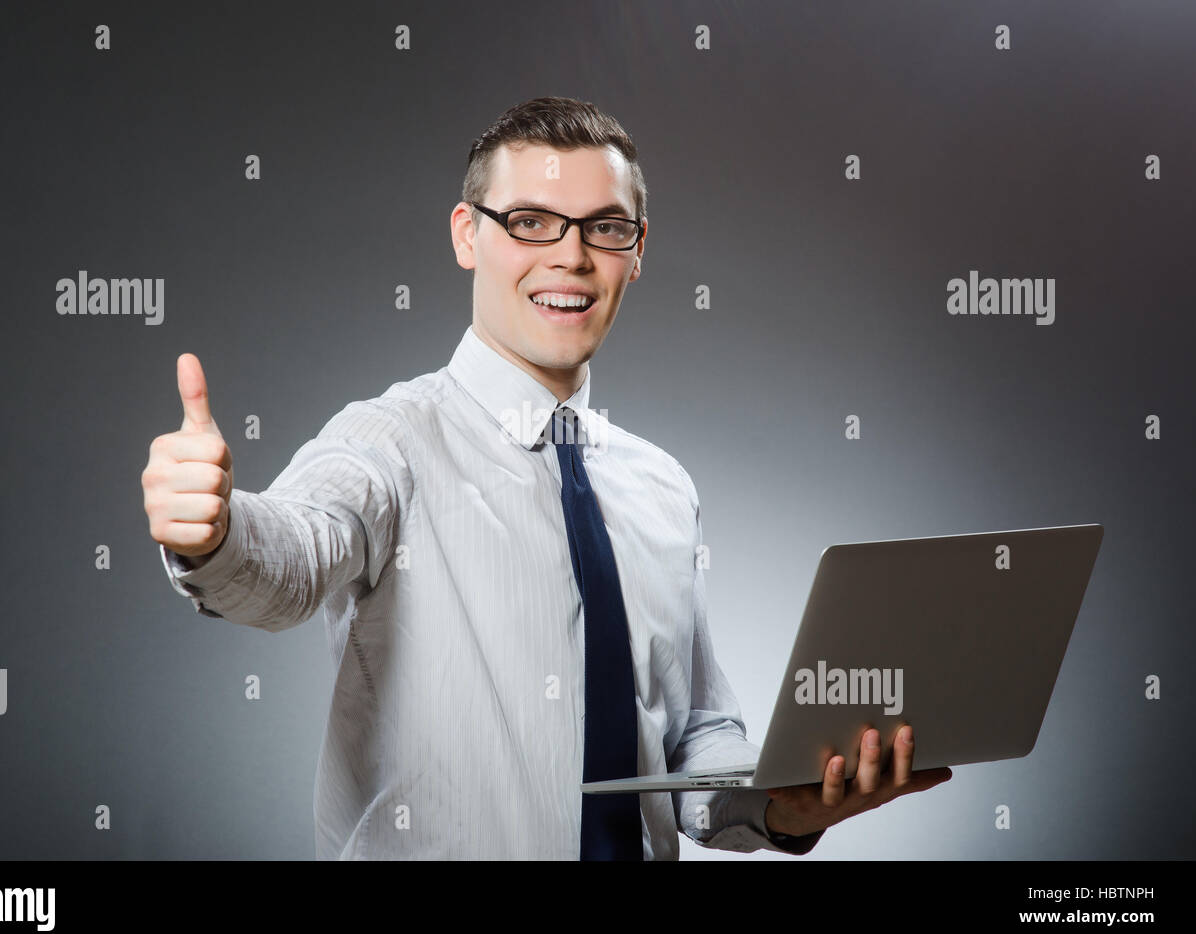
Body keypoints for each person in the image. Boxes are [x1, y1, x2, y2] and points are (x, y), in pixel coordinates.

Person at [141, 96, 952, 860]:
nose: (570, 255)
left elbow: (690, 736)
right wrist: (218, 534)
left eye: (604, 227)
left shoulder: (662, 486)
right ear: (467, 234)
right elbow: (291, 559)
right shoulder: (390, 441)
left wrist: (783, 804)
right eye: (530, 222)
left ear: (637, 252)